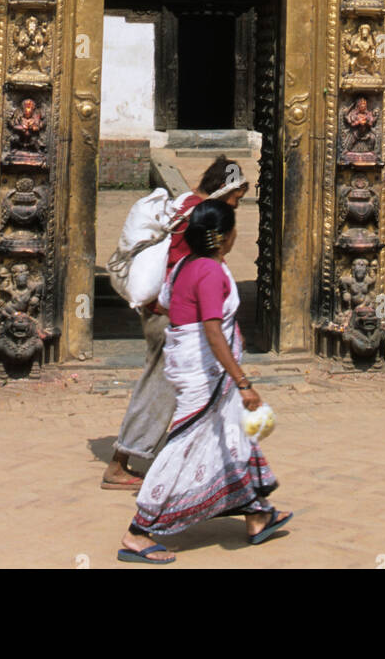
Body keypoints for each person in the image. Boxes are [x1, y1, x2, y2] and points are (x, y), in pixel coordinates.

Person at [117, 199, 292, 562]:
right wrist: (242, 382)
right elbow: (212, 332)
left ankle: (257, 514)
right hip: (205, 374)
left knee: (232, 436)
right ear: (225, 236)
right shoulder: (210, 273)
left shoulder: (183, 266)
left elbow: (166, 305)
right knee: (184, 446)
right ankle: (139, 531)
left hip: (191, 366)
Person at [101, 157, 249, 489]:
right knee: (161, 386)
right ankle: (121, 461)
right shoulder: (196, 216)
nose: (233, 209)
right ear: (225, 191)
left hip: (164, 311)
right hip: (167, 316)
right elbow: (180, 269)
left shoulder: (185, 202)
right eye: (235, 201)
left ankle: (189, 461)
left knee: (183, 385)